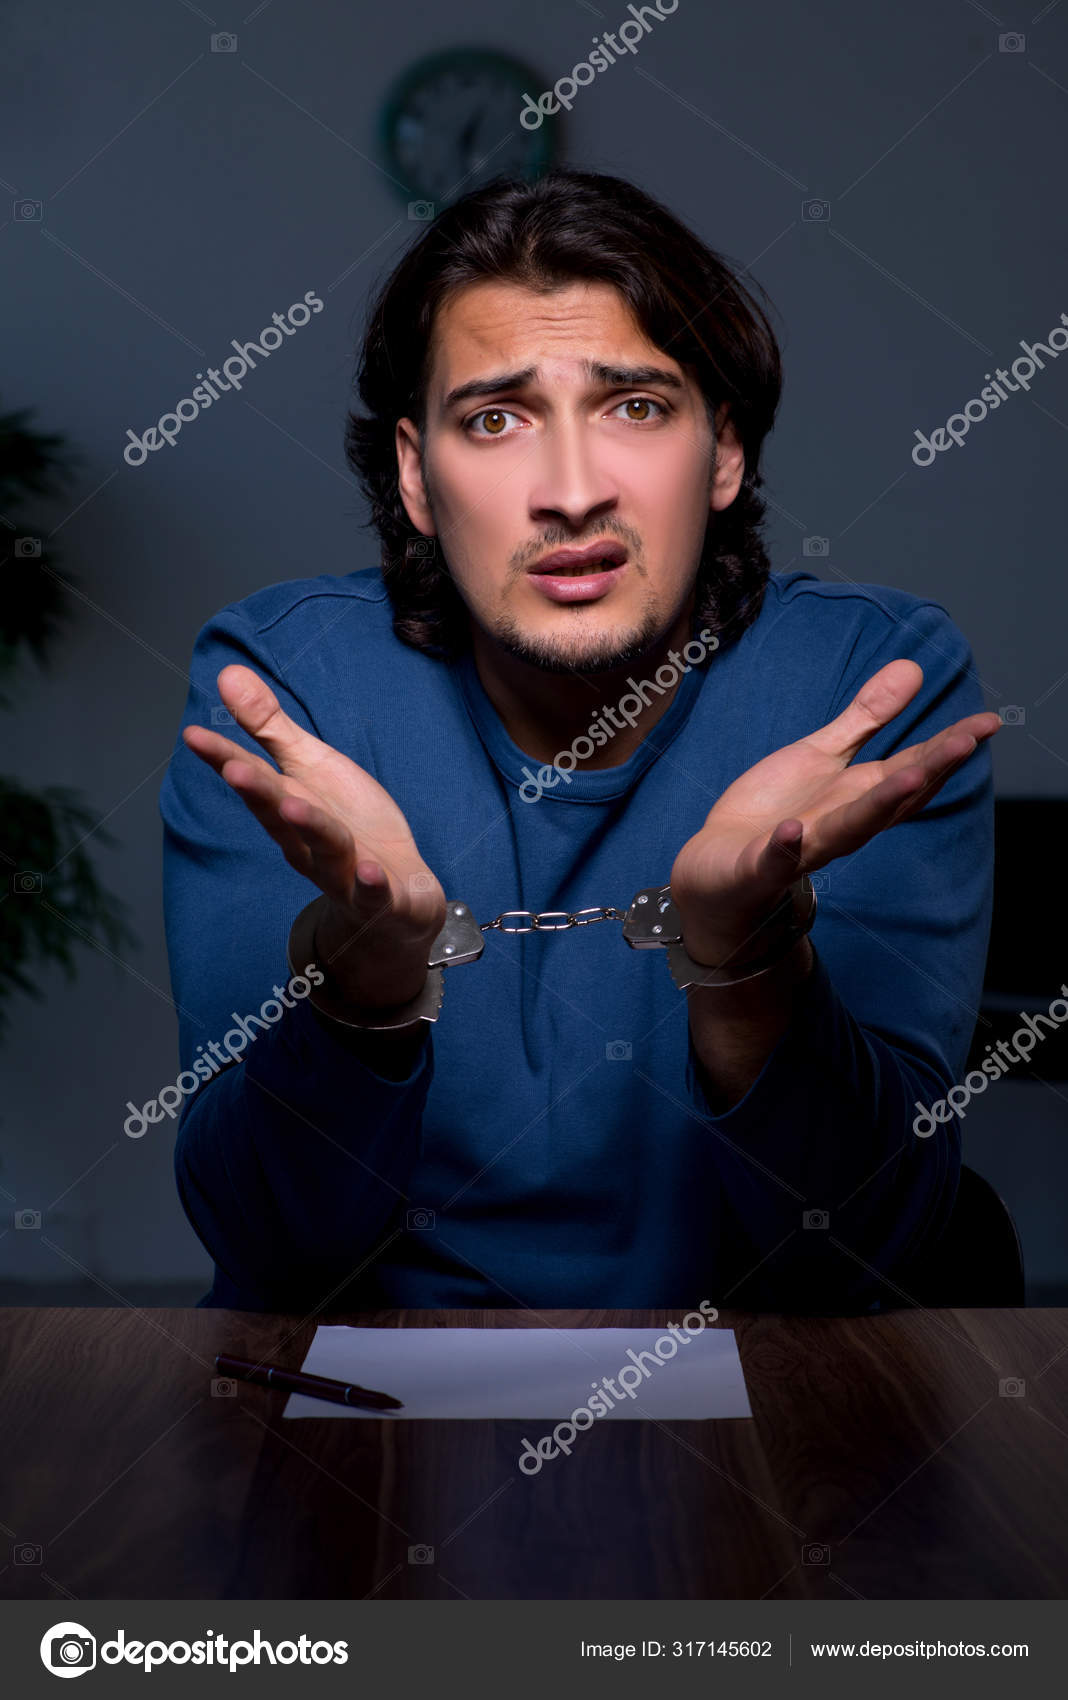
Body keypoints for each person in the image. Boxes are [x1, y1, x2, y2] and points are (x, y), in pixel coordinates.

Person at [160, 168, 998, 1314]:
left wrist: (745, 958)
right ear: (415, 473)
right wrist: (360, 978)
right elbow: (268, 1248)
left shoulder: (867, 688)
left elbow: (864, 1244)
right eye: (495, 418)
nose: (570, 490)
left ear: (723, 453)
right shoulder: (288, 694)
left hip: (769, 1425)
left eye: (636, 406)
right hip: (367, 1442)